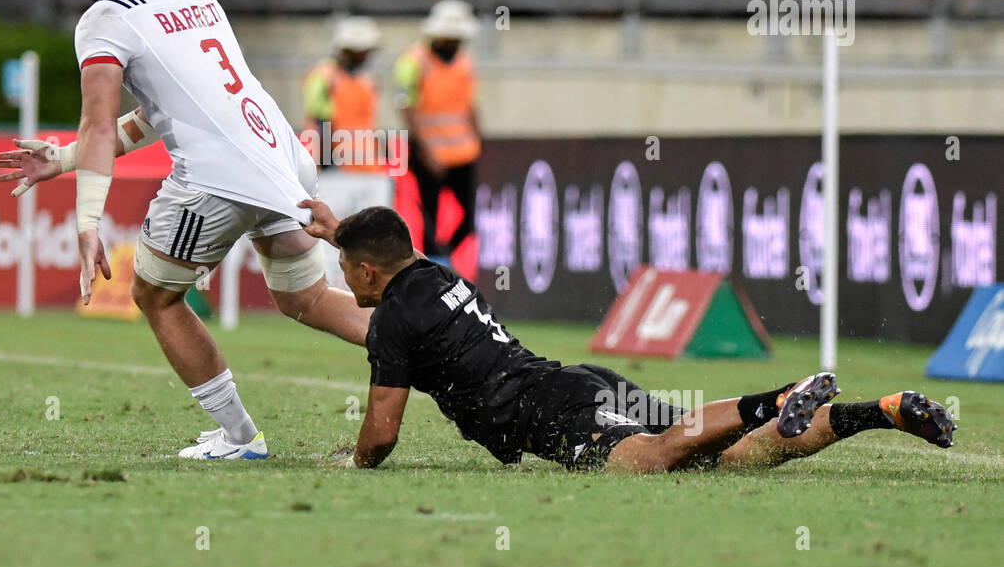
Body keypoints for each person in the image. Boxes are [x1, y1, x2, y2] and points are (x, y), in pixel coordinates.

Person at [0, 0, 371, 461]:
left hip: (218, 179)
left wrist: (87, 218)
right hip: (280, 155)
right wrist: (63, 159)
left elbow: (99, 123)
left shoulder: (103, 19)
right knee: (309, 298)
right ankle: (414, 341)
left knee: (157, 295)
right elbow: (163, 112)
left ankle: (241, 439)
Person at [302, 203, 957, 471]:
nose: (344, 279)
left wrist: (353, 463)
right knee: (721, 457)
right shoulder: (434, 273)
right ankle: (880, 411)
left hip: (550, 410)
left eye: (345, 269)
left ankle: (780, 396)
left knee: (648, 460)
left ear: (365, 271)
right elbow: (378, 250)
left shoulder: (392, 318)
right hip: (577, 381)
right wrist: (338, 231)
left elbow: (383, 431)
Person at [393, 0, 482, 264]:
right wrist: (426, 152)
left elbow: (469, 104)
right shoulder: (413, 61)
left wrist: (478, 136)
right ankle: (433, 264)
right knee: (429, 216)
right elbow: (406, 107)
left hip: (463, 152)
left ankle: (442, 258)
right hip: (428, 153)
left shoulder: (465, 62)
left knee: (470, 217)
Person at [302, 16, 383, 173]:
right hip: (336, 168)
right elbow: (320, 121)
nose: (367, 56)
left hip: (366, 167)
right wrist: (327, 163)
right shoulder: (324, 76)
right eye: (363, 52)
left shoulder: (367, 81)